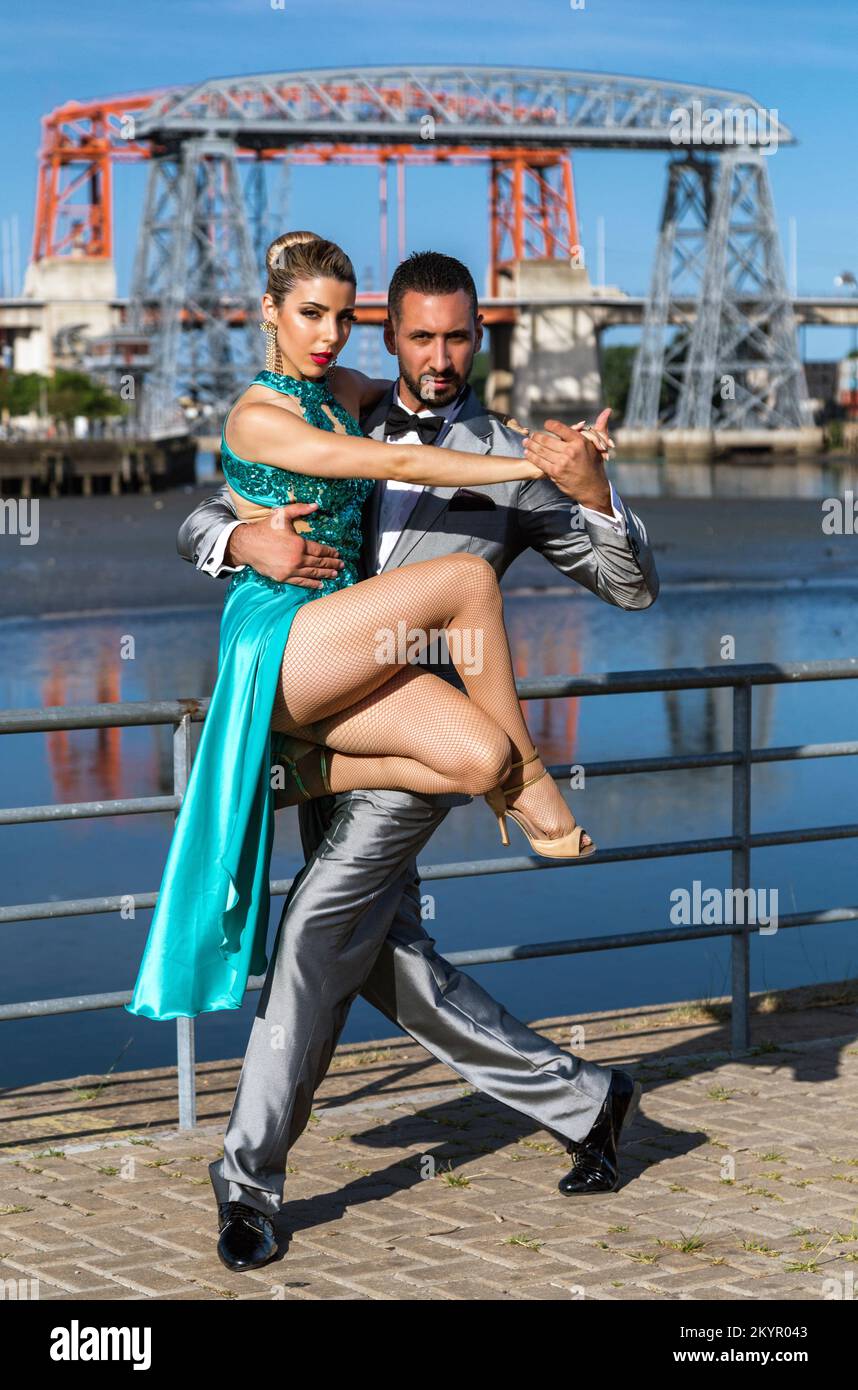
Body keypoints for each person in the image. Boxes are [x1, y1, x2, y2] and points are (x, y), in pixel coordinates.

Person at [168, 237, 660, 1269]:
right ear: (385, 335)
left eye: (458, 337)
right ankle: (588, 1100)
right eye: (420, 336)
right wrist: (234, 540)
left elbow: (630, 588)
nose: (439, 356)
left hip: (413, 737)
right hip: (320, 702)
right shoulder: (338, 404)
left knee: (310, 936)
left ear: (481, 337)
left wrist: (598, 492)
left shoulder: (513, 462)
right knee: (388, 960)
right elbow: (208, 508)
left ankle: (247, 1180)